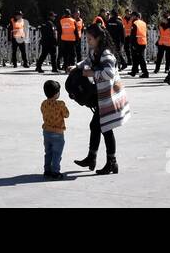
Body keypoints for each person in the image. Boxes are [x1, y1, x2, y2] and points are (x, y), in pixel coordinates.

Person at [74, 23, 128, 175]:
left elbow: (109, 73)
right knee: (97, 126)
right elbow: (87, 62)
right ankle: (93, 158)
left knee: (105, 128)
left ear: (98, 38)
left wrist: (90, 73)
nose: (88, 41)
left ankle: (111, 162)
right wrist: (77, 67)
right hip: (103, 96)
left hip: (111, 95)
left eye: (90, 39)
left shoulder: (106, 54)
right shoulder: (95, 51)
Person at [40, 79, 71, 179]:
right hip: (58, 133)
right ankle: (55, 171)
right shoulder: (60, 104)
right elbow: (67, 115)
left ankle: (47, 170)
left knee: (48, 152)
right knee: (57, 154)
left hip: (46, 132)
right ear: (57, 93)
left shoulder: (43, 103)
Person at [128, 11, 149, 78]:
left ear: (135, 16)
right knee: (136, 57)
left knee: (140, 58)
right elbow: (146, 33)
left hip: (137, 42)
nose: (131, 17)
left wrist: (132, 44)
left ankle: (145, 72)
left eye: (132, 16)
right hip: (143, 42)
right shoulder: (143, 23)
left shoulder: (135, 23)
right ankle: (134, 71)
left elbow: (133, 34)